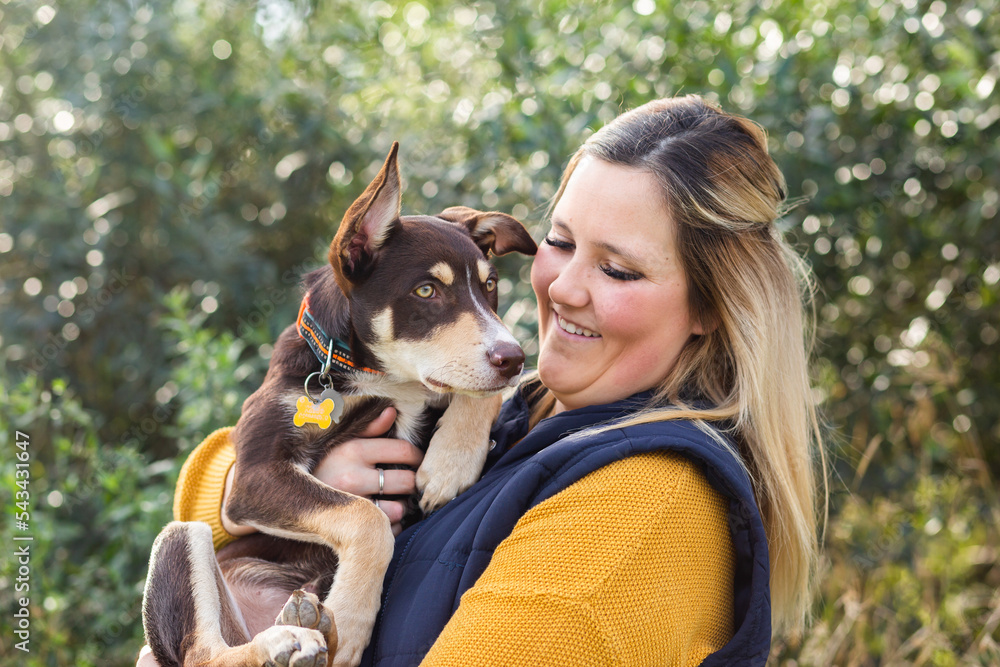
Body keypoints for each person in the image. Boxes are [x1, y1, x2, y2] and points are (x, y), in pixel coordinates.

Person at [141, 94, 825, 667]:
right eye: (560, 241)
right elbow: (231, 501)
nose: (564, 286)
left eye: (618, 270)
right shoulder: (521, 416)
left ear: (710, 305)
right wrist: (257, 482)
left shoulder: (645, 505)